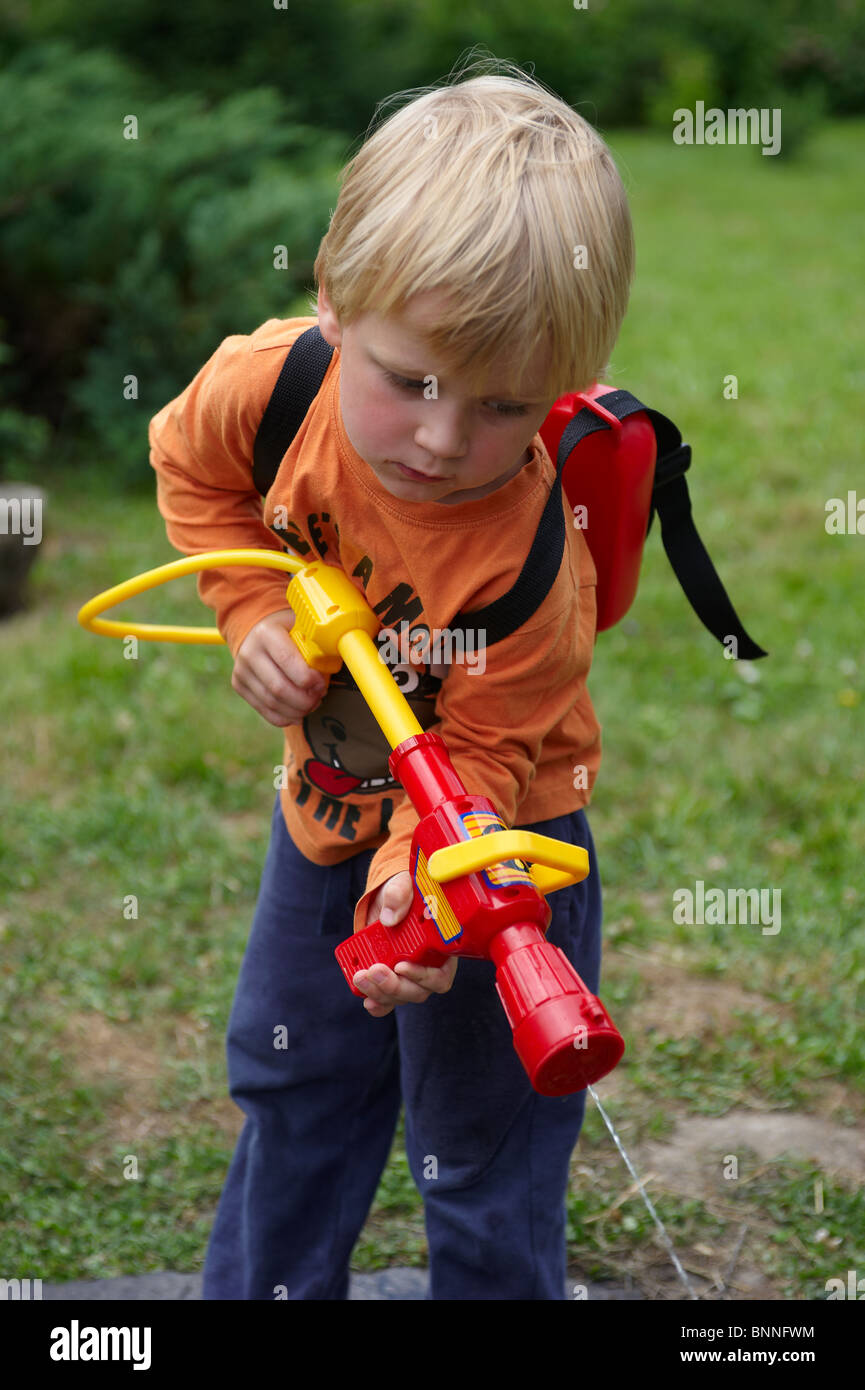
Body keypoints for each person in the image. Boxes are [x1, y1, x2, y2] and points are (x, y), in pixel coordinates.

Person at [148, 57, 634, 1300]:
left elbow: (478, 760)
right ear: (331, 300)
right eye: (409, 381)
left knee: (480, 1150)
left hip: (495, 838)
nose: (440, 437)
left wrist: (417, 889)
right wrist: (249, 599)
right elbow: (192, 473)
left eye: (501, 405)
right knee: (294, 1088)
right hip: (323, 826)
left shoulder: (534, 562)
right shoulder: (272, 390)